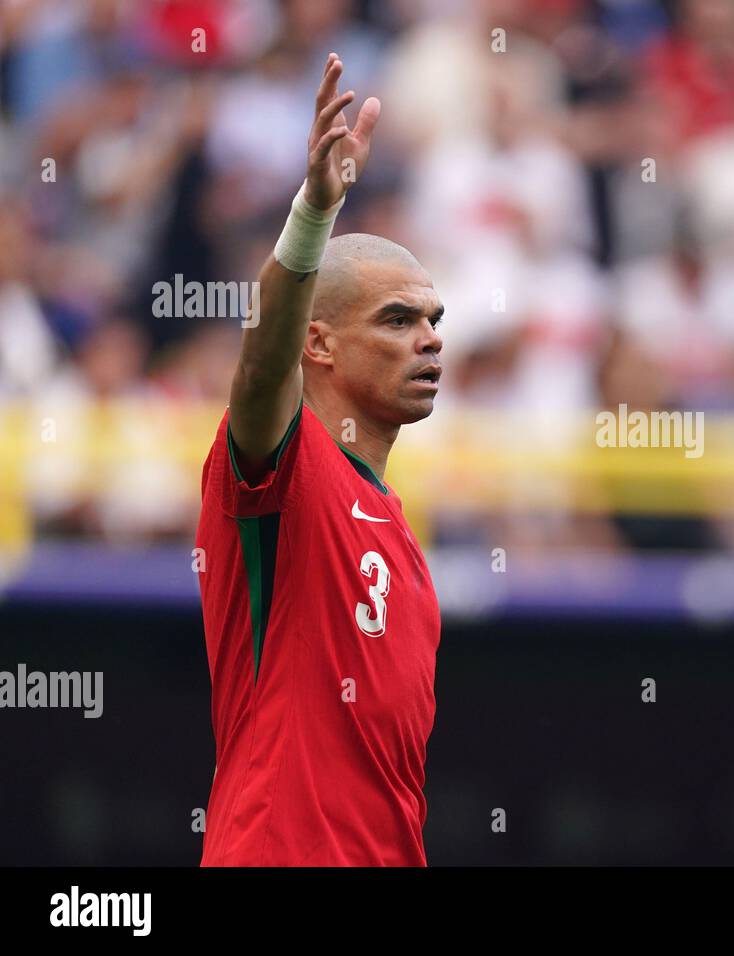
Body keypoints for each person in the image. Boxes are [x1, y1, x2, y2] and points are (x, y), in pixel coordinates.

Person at [195, 53, 444, 865]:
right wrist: (315, 212)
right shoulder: (287, 464)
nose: (431, 337)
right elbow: (261, 366)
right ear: (320, 342)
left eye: (435, 318)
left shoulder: (398, 528)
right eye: (399, 318)